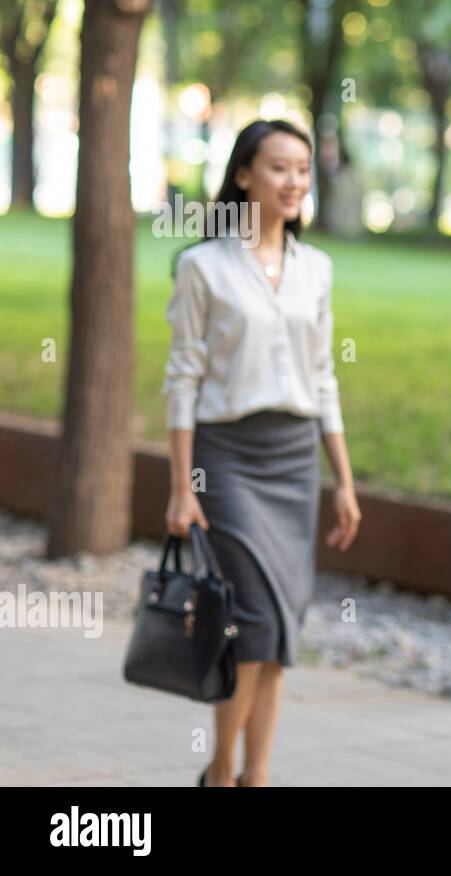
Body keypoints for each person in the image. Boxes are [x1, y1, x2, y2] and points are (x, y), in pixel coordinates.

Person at [162, 119, 362, 787]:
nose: (294, 182)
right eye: (279, 168)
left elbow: (324, 375)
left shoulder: (318, 269)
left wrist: (344, 480)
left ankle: (257, 775)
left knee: (280, 624)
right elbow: (182, 377)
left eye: (303, 170)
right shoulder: (202, 266)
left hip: (295, 459)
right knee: (248, 616)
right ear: (244, 174)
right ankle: (223, 772)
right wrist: (181, 485)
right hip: (227, 458)